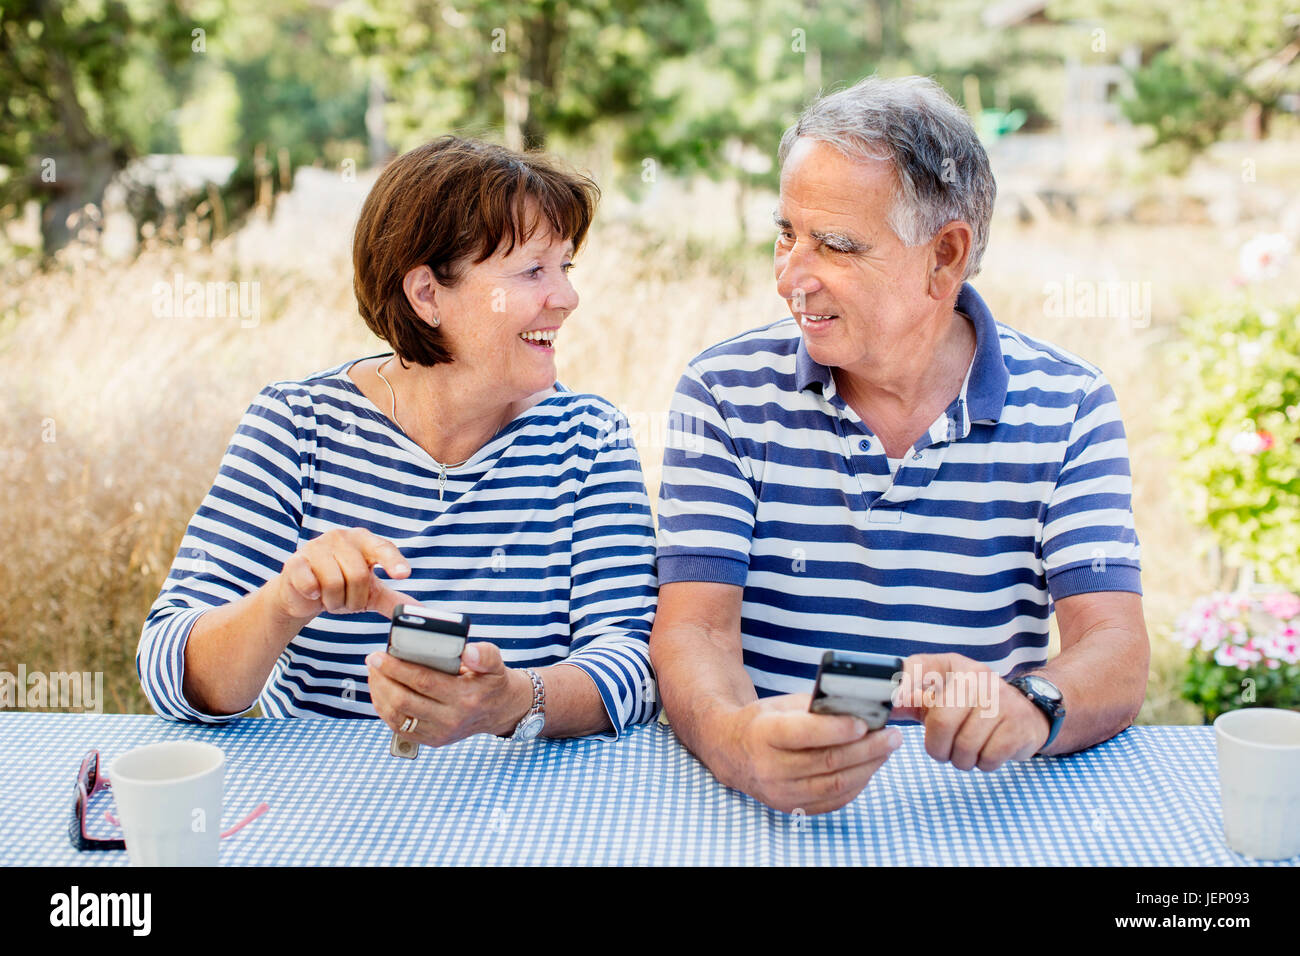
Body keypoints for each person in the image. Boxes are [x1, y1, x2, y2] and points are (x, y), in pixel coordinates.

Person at [650, 75, 1149, 814]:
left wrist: (1031, 705)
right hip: (760, 804)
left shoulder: (1070, 404)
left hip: (974, 806)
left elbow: (1114, 645)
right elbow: (695, 630)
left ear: (944, 256)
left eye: (836, 246)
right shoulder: (723, 391)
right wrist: (736, 743)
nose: (790, 277)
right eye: (786, 233)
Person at [137, 136, 658, 744]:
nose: (568, 298)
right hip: (326, 794)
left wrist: (513, 701)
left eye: (565, 267)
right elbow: (169, 673)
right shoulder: (297, 426)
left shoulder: (589, 439)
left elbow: (636, 669)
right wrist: (284, 601)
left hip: (523, 796)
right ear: (427, 294)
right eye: (532, 271)